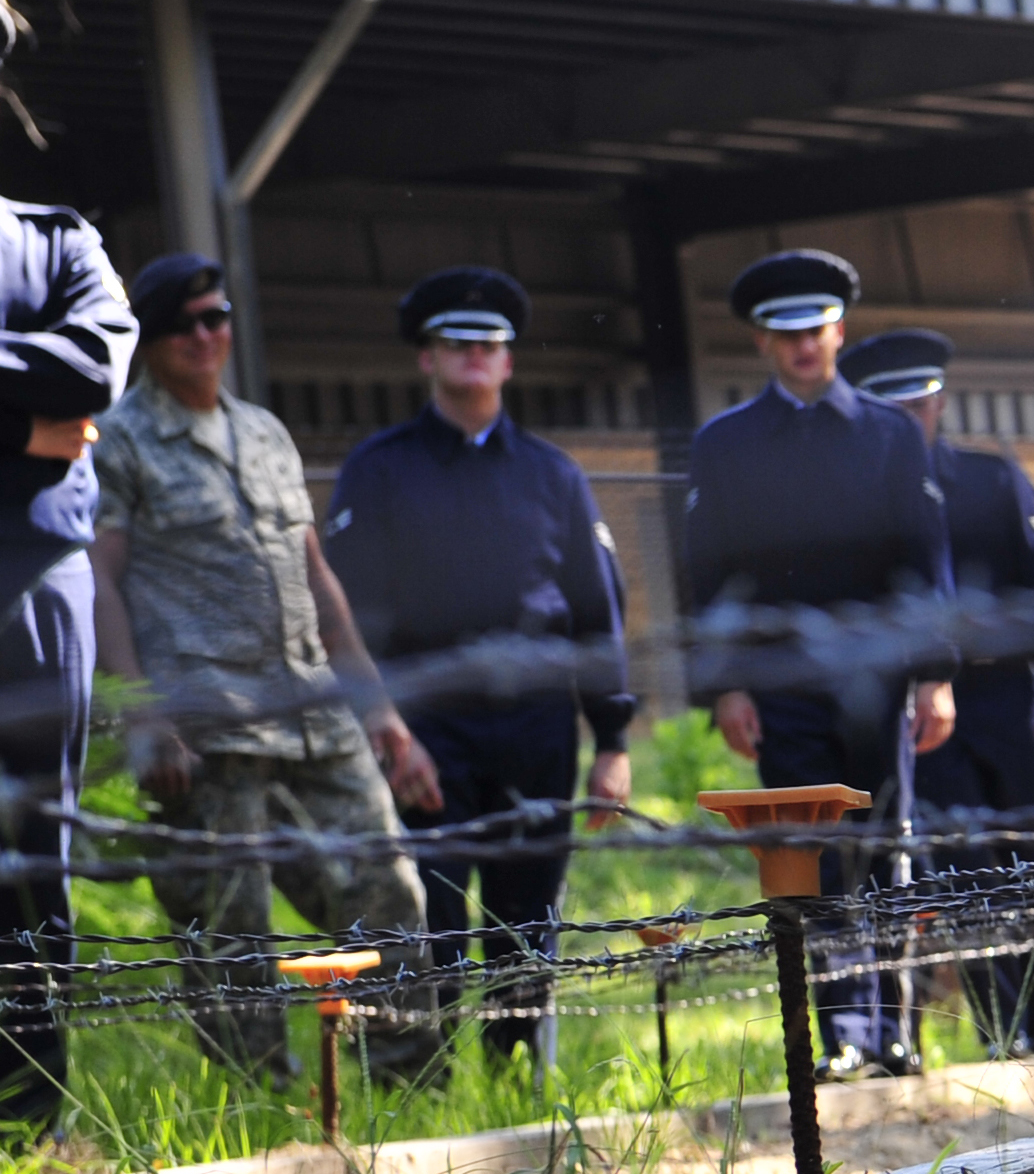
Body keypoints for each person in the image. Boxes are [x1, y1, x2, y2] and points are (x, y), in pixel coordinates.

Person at [92, 254, 445, 1082]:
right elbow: (99, 580)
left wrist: (380, 710)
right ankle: (258, 1104)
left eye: (215, 318)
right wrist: (143, 714)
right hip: (206, 723)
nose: (203, 336)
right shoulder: (122, 441)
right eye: (182, 325)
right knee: (230, 926)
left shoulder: (264, 432)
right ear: (150, 339)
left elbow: (317, 578)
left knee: (389, 890)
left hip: (314, 708)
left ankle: (411, 1082)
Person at [323, 268, 635, 1065]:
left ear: (508, 360)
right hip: (424, 726)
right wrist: (380, 727)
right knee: (428, 903)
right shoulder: (379, 470)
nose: (473, 355)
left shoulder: (553, 475)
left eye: (488, 343)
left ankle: (512, 1067)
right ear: (426, 357)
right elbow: (342, 613)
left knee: (527, 913)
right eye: (455, 342)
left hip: (535, 724)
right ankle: (425, 1070)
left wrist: (612, 739)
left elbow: (596, 612)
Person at [682, 250, 956, 1075]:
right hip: (781, 683)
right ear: (763, 342)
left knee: (884, 846)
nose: (805, 345)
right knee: (810, 852)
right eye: (787, 333)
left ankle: (896, 1029)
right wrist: (726, 684)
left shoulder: (891, 434)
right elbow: (708, 575)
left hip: (881, 678)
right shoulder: (726, 445)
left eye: (817, 329)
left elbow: (925, 560)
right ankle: (842, 1034)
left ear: (839, 332)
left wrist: (935, 674)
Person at [839, 326, 1034, 1059]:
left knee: (1029, 856)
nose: (911, 419)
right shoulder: (859, 499)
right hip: (923, 709)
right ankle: (1000, 1030)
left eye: (920, 404)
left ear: (940, 402)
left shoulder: (990, 478)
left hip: (1007, 696)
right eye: (894, 409)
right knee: (963, 867)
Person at [0, 167, 136, 1136]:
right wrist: (22, 424)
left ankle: (23, 1118)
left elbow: (92, 373)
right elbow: (51, 395)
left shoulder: (56, 243)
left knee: (31, 849)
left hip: (33, 573)